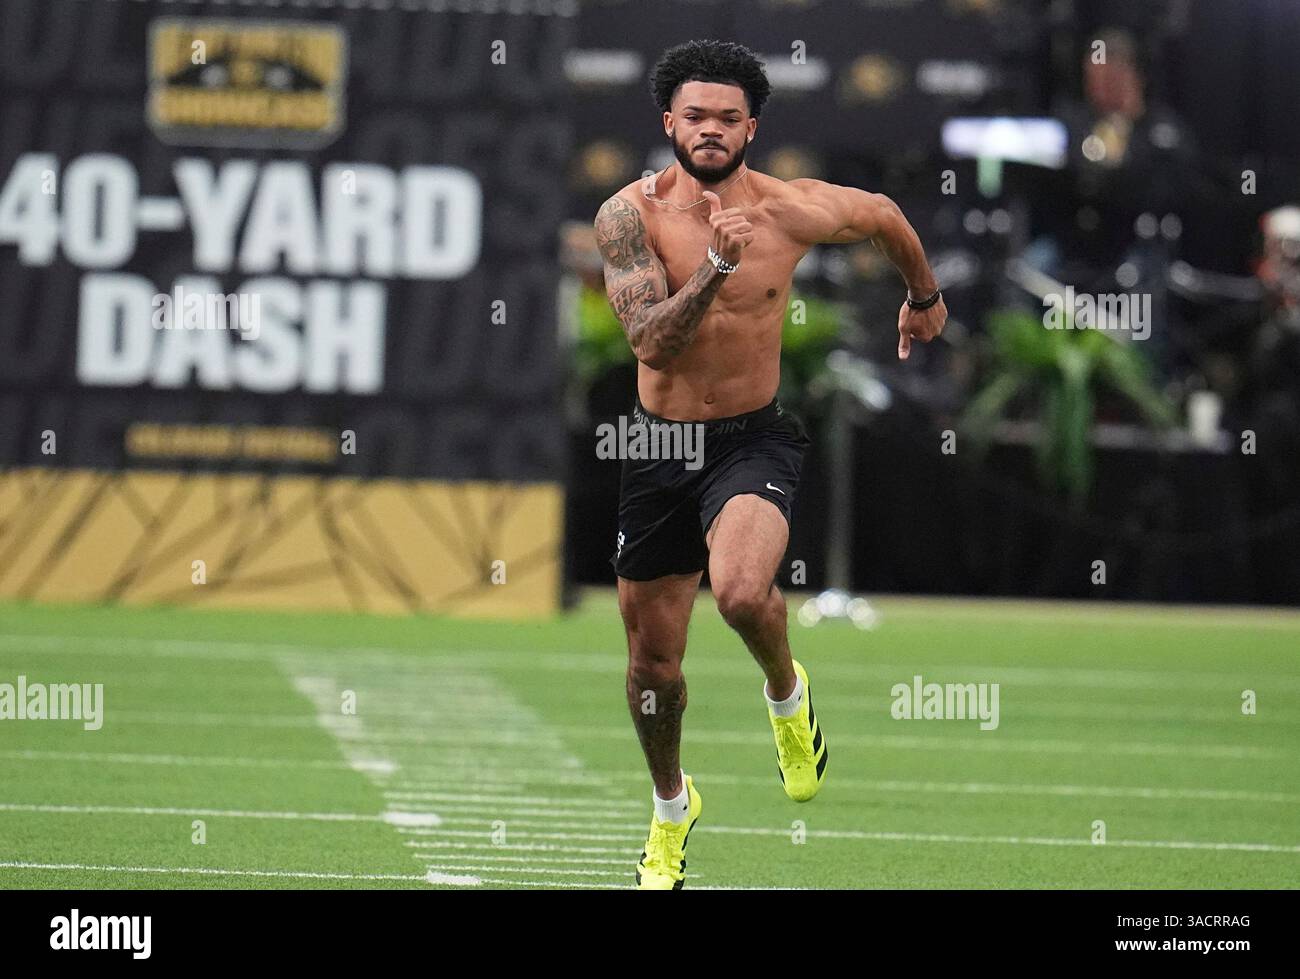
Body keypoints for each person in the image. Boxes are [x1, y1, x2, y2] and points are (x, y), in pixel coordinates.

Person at [592, 39, 946, 889]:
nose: (710, 131)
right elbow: (650, 342)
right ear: (667, 122)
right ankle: (672, 807)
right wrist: (716, 266)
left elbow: (887, 215)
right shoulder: (626, 217)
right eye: (694, 116)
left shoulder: (792, 210)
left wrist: (924, 298)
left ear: (752, 126)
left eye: (727, 118)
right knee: (653, 668)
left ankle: (788, 700)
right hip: (660, 443)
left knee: (745, 590)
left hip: (752, 437)